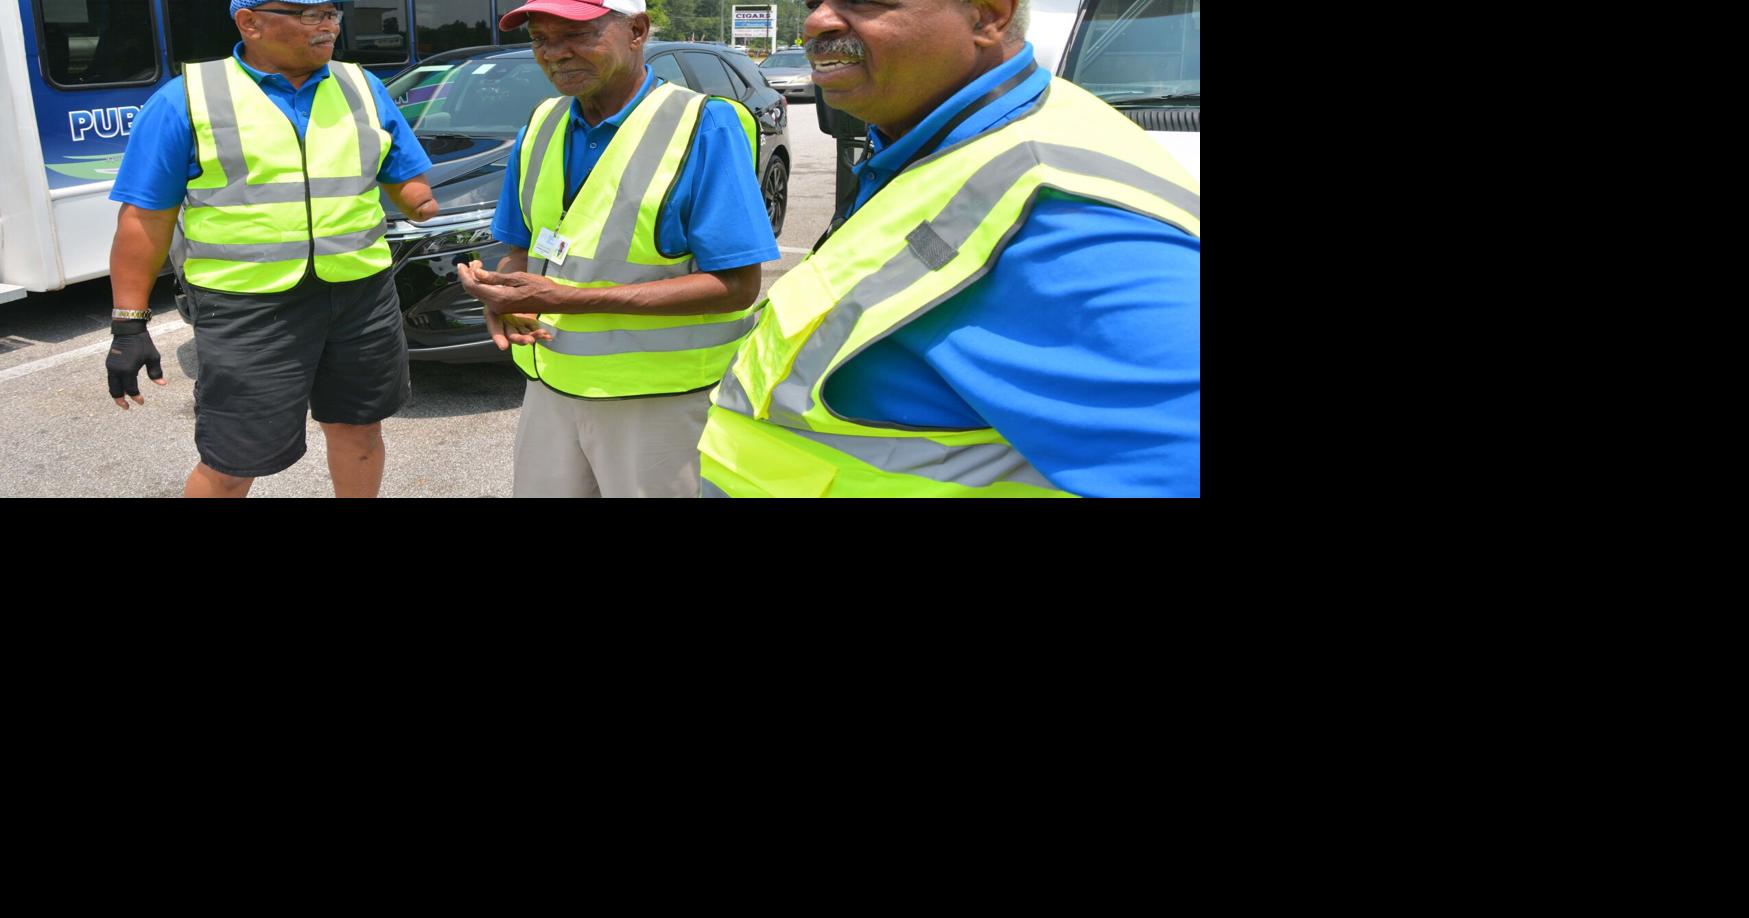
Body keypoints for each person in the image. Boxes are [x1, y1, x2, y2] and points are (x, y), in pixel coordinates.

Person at [695, 0, 1201, 498]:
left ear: (989, 16)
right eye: (813, 1)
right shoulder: (950, 139)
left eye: (864, 1)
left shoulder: (1067, 222)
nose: (816, 21)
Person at [105, 0, 438, 498]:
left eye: (332, 13)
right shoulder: (187, 99)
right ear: (250, 22)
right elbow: (145, 218)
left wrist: (421, 203)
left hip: (362, 297)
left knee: (360, 430)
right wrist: (129, 323)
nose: (327, 26)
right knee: (232, 460)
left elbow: (403, 173)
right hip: (248, 308)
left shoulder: (361, 86)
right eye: (308, 14)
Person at [456, 0, 778, 498]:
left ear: (637, 31)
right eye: (540, 39)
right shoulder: (542, 123)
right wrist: (504, 293)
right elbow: (521, 246)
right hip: (550, 385)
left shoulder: (703, 124)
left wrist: (569, 300)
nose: (555, 53)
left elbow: (736, 286)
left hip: (660, 401)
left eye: (576, 35)